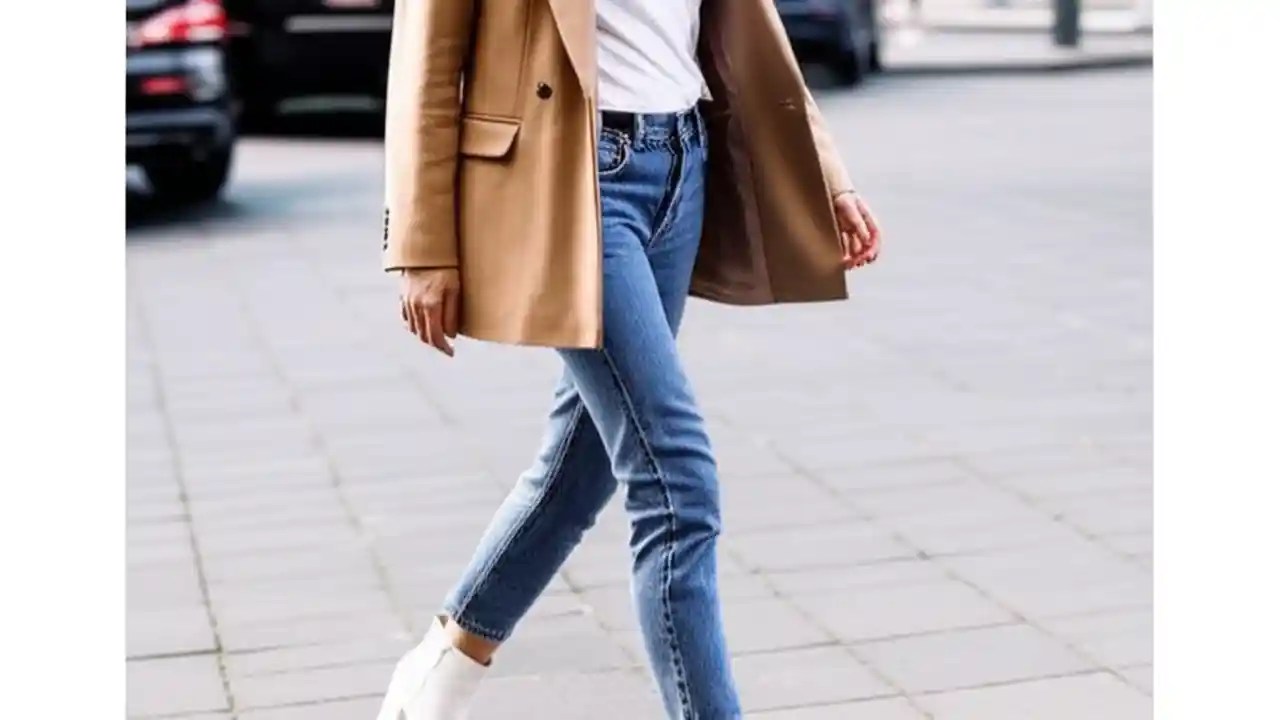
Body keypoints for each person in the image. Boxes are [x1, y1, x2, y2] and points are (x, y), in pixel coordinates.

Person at [376, 1, 882, 718]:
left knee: (579, 467)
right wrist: (422, 243)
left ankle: (440, 670)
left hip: (681, 165)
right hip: (571, 178)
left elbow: (749, 22)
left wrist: (826, 173)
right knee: (677, 483)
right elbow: (425, 65)